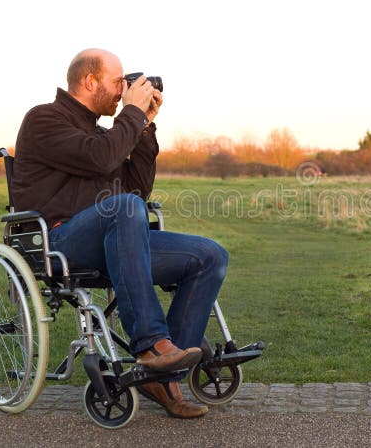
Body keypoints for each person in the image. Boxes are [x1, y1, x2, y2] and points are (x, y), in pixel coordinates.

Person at [12, 48, 227, 419]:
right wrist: (131, 114)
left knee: (209, 255)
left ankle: (163, 378)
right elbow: (101, 158)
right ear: (89, 81)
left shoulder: (105, 134)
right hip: (59, 243)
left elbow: (137, 191)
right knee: (123, 207)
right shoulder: (44, 119)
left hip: (119, 242)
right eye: (118, 82)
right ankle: (150, 344)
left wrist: (144, 127)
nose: (122, 90)